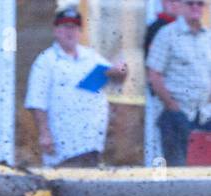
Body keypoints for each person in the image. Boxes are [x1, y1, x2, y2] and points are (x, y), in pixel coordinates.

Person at [24, 6, 127, 168]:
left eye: (74, 27)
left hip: (92, 142)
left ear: (80, 32)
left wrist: (120, 70)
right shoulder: (46, 60)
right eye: (65, 27)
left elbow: (116, 78)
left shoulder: (91, 56)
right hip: (63, 144)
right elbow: (37, 101)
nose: (69, 32)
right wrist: (44, 134)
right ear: (56, 30)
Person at [148, 0, 211, 167]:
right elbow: (154, 74)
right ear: (181, 6)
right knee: (178, 174)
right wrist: (172, 106)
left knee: (205, 174)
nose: (196, 7)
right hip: (177, 115)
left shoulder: (209, 37)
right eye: (191, 3)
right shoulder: (167, 34)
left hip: (205, 115)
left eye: (200, 4)